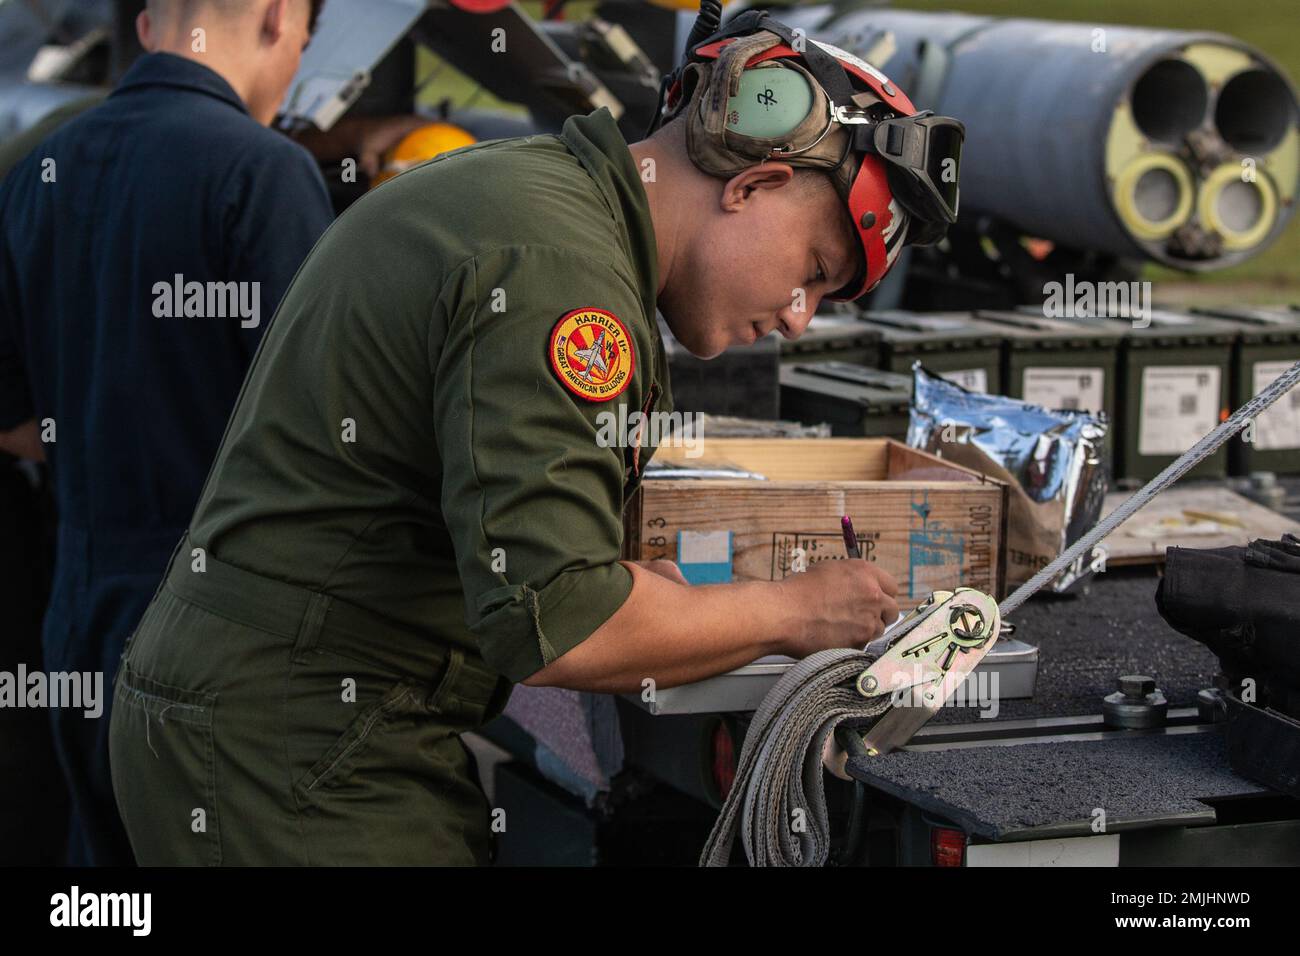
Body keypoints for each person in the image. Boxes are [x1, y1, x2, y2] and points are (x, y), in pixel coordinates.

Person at [108, 9, 964, 865]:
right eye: (813, 271)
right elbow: (561, 624)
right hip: (298, 750)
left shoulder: (550, 208)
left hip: (283, 723)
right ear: (754, 185)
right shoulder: (562, 273)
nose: (798, 318)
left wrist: (667, 605)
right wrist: (796, 610)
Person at [0, 0, 336, 865]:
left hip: (74, 613)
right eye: (306, 35)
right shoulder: (266, 173)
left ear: (152, 23)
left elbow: (11, 423)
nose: (298, 57)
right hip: (217, 637)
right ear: (276, 15)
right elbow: (329, 432)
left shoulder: (41, 165)